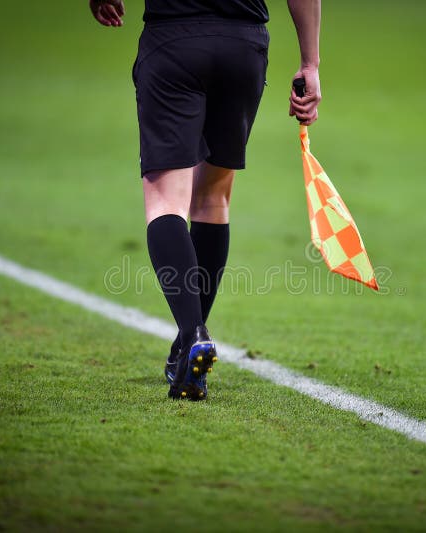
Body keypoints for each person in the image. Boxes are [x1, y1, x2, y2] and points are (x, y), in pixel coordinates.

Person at [90, 0, 322, 400]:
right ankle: (186, 348)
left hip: (175, 41)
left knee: (166, 201)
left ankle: (193, 333)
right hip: (243, 47)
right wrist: (310, 63)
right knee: (213, 197)